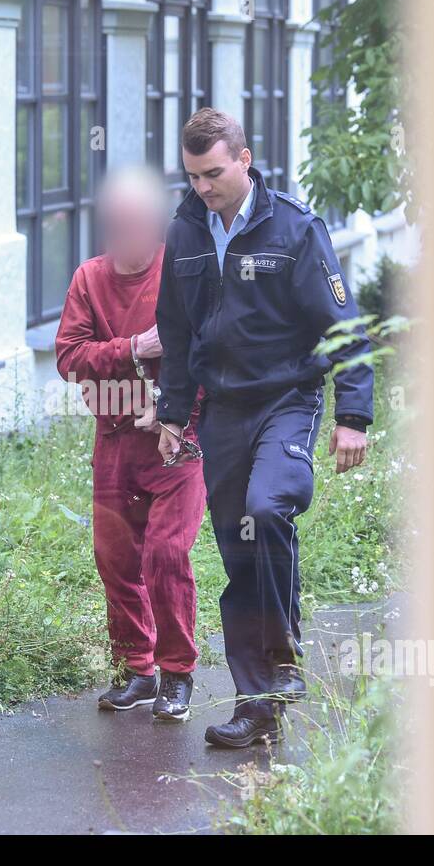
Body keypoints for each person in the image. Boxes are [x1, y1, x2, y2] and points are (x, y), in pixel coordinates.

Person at [154, 108, 374, 748]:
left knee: (268, 505)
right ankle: (259, 704)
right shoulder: (187, 231)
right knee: (239, 554)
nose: (203, 187)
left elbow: (344, 325)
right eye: (193, 176)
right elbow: (175, 329)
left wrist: (353, 416)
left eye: (214, 173)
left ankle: (282, 657)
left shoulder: (294, 230)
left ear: (245, 161)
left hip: (286, 399)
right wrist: (171, 413)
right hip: (221, 409)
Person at [55, 164, 207, 722]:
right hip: (114, 439)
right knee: (114, 558)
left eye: (138, 220)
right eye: (118, 221)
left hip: (178, 440)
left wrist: (174, 412)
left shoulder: (183, 272)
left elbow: (209, 354)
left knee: (166, 553)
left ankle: (177, 674)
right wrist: (131, 347)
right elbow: (70, 357)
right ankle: (138, 670)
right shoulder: (89, 280)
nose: (129, 231)